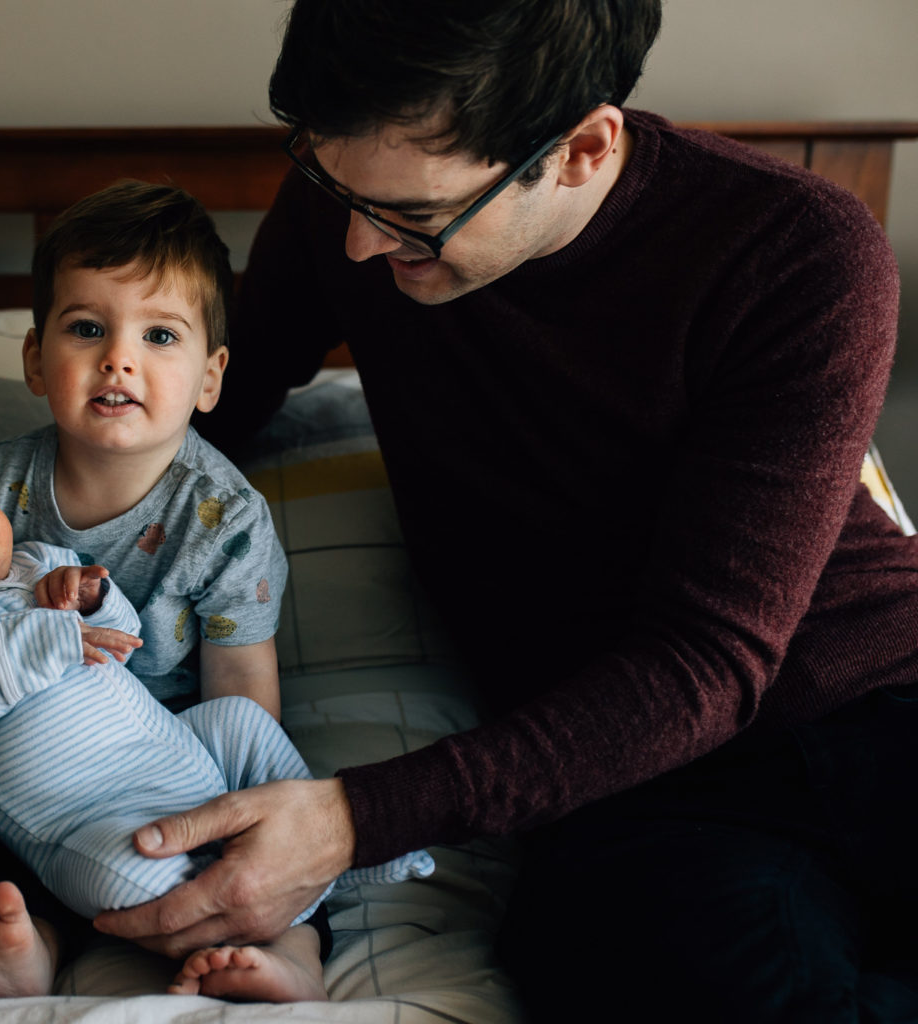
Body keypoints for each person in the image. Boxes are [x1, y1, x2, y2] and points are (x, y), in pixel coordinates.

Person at [95, 2, 918, 1022]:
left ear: (581, 149)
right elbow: (205, 410)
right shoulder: (347, 210)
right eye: (326, 178)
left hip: (876, 696)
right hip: (640, 786)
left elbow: (707, 661)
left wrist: (353, 820)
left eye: (412, 218)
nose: (357, 243)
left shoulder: (794, 250)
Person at [0, 434, 433, 1001]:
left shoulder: (37, 564)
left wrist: (94, 598)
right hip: (84, 819)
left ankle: (323, 855)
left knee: (238, 719)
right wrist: (53, 630)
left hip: (172, 755)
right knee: (130, 870)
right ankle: (46, 964)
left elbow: (122, 639)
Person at [0, 180, 289, 718]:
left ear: (210, 379)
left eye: (160, 336)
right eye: (88, 328)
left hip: (165, 757)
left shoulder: (228, 525)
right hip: (14, 734)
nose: (118, 358)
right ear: (35, 361)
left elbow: (241, 700)